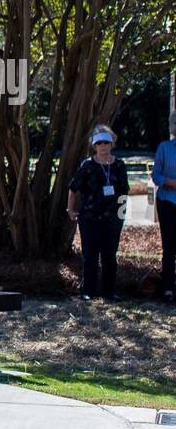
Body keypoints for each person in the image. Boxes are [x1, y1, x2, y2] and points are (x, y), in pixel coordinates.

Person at [68, 124, 129, 302]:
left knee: (110, 255)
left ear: (111, 144)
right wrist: (71, 210)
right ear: (94, 145)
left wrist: (121, 215)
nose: (103, 146)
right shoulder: (87, 165)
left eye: (106, 142)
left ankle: (109, 291)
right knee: (90, 255)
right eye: (99, 143)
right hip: (90, 217)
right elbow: (73, 189)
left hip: (112, 217)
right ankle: (88, 290)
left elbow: (124, 191)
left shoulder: (119, 165)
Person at [152, 111, 176, 302]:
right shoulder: (164, 147)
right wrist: (168, 182)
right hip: (167, 201)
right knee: (169, 246)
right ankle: (168, 287)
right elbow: (156, 175)